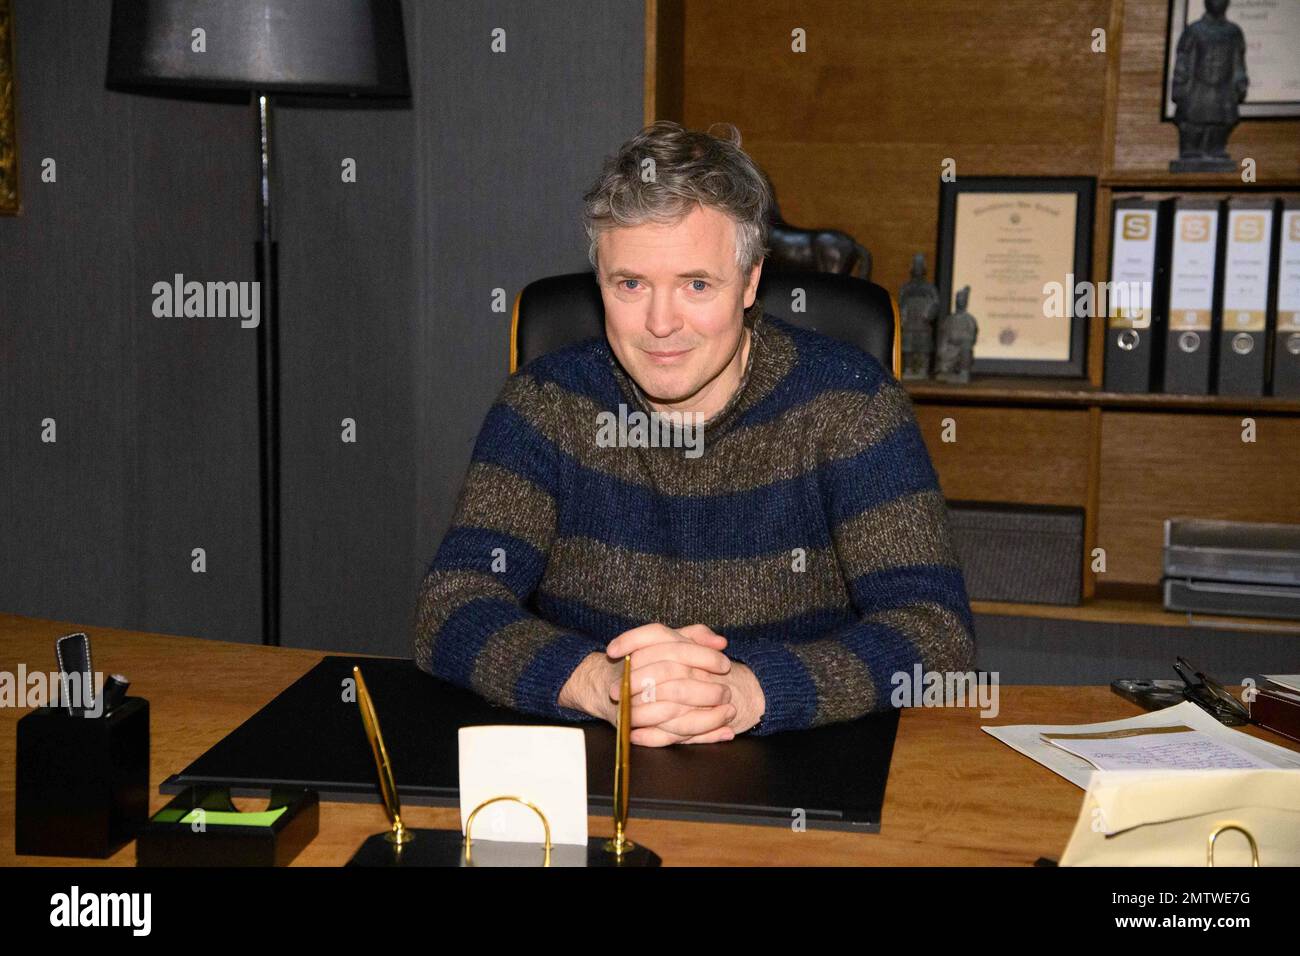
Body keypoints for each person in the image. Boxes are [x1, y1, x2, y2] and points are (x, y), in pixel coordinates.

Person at [414, 120, 974, 746]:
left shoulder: (850, 401)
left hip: (800, 768)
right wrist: (597, 681)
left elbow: (935, 632)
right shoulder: (546, 405)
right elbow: (453, 605)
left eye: (696, 285)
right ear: (599, 279)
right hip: (594, 765)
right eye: (630, 284)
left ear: (751, 283)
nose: (659, 324)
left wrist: (747, 690)